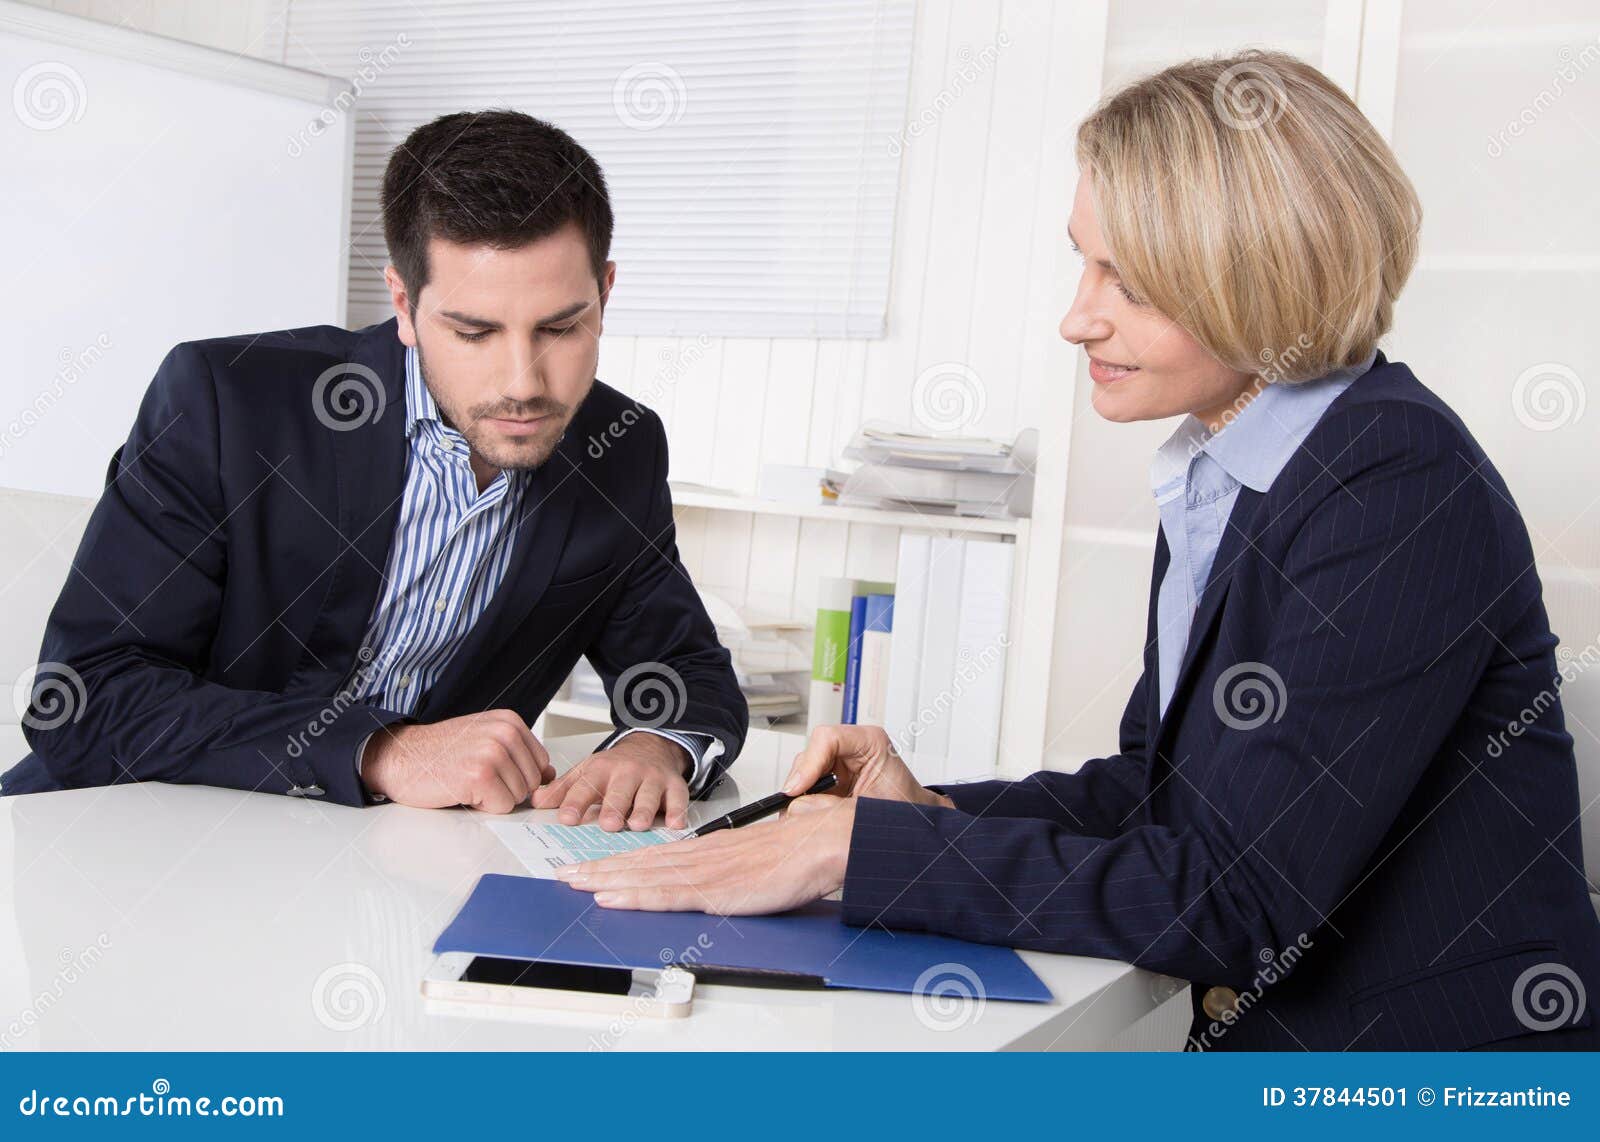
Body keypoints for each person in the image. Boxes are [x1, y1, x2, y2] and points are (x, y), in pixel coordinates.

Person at [553, 50, 1600, 1050]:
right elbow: (1157, 794)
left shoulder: (1395, 482)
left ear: (1262, 273)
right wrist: (927, 812)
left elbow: (1242, 897)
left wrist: (854, 849)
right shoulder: (1222, 464)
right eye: (1082, 262)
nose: (1073, 319)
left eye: (1128, 282)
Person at [2, 111, 746, 829]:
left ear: (605, 294)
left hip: (377, 875)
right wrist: (379, 750)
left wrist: (655, 747)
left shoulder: (620, 447)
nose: (524, 383)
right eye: (473, 331)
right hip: (121, 848)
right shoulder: (227, 401)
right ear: (402, 302)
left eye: (560, 327)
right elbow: (90, 697)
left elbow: (684, 671)